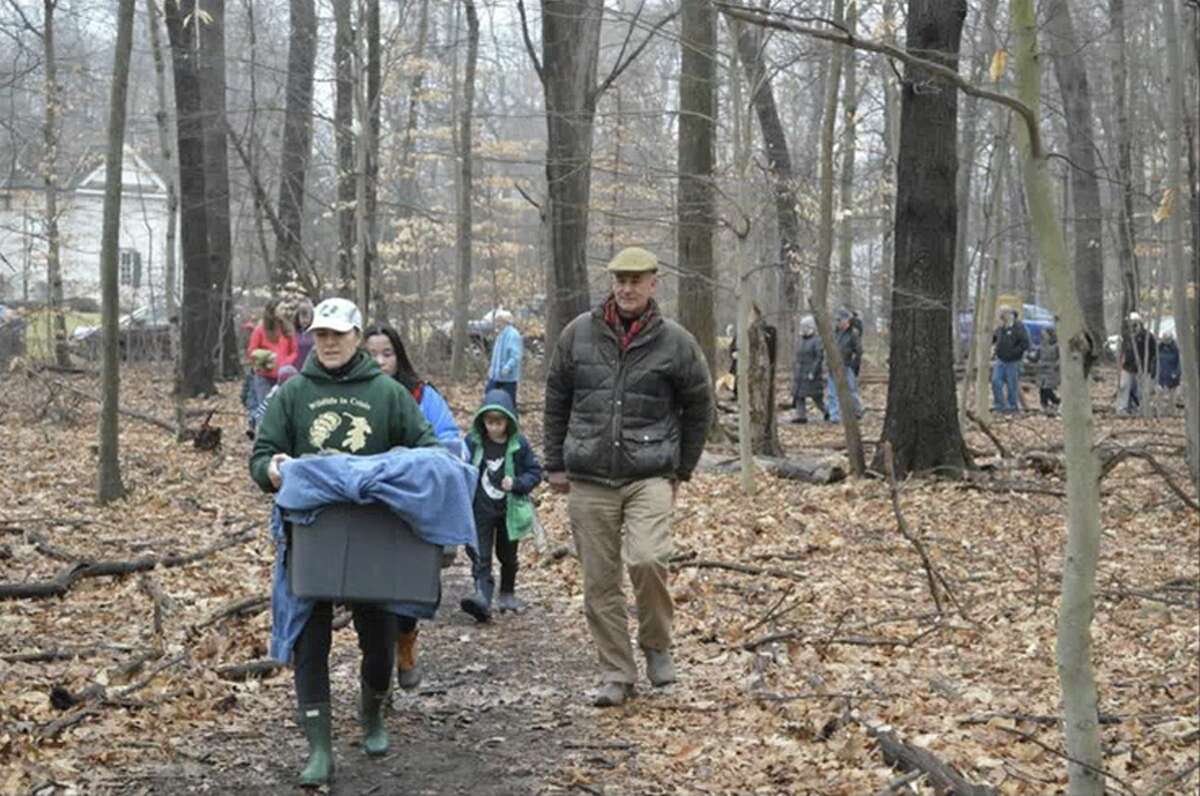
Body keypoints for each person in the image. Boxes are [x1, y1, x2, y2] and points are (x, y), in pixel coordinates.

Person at [249, 298, 441, 786]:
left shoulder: (386, 394)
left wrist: (392, 471)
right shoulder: (293, 394)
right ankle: (319, 747)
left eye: (338, 334)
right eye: (322, 334)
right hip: (311, 531)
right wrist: (271, 471)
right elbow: (263, 454)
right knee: (309, 636)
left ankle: (373, 713)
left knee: (376, 632)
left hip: (373, 531)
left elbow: (429, 450)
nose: (329, 342)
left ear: (356, 336)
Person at [543, 246, 713, 708]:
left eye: (637, 279)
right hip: (589, 475)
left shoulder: (676, 341)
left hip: (650, 473)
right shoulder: (578, 334)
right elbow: (556, 396)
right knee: (599, 581)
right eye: (621, 279)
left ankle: (657, 645)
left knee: (647, 558)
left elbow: (700, 405)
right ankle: (616, 673)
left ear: (654, 283)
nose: (627, 287)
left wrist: (683, 466)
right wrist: (553, 462)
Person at [363, 323, 464, 690]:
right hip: (369, 507)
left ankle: (406, 641)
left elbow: (450, 440)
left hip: (417, 507)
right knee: (371, 593)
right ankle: (376, 677)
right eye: (371, 354)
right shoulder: (352, 396)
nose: (379, 362)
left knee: (414, 588)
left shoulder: (422, 395)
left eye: (386, 354)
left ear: (399, 356)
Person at [460, 388, 543, 622]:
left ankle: (507, 592)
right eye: (489, 422)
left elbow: (535, 472)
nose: (494, 427)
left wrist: (516, 483)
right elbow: (461, 467)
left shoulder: (519, 446)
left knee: (507, 555)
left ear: (508, 421)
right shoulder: (474, 442)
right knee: (480, 553)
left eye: (499, 422)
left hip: (509, 510)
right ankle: (482, 597)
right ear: (482, 420)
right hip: (480, 509)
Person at [246, 298, 298, 409]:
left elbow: (294, 352)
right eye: (281, 308)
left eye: (285, 309)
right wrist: (266, 359)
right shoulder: (260, 330)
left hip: (283, 376)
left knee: (284, 407)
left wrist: (285, 363)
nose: (284, 311)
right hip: (264, 376)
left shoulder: (287, 329)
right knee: (266, 408)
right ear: (272, 310)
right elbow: (251, 351)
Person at [826, 308, 863, 422]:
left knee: (852, 391)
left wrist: (853, 365)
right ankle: (834, 416)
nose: (838, 322)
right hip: (833, 367)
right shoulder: (835, 333)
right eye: (837, 320)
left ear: (847, 320)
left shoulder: (853, 334)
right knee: (832, 392)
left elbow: (859, 351)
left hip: (847, 366)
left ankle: (857, 411)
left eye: (840, 320)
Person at [991, 307, 1029, 413]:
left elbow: (1025, 343)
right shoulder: (1000, 327)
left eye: (1003, 314)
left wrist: (1014, 352)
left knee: (1012, 385)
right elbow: (994, 338)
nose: (1001, 316)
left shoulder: (1019, 326)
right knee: (996, 381)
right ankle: (1000, 406)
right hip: (1000, 360)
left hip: (1014, 361)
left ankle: (1012, 407)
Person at [1117, 312, 1157, 414]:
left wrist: (1150, 368)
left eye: (1133, 322)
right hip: (1128, 366)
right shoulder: (1126, 335)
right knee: (1124, 386)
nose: (1131, 324)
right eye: (1129, 322)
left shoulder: (1148, 336)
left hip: (1143, 368)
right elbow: (1123, 350)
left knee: (1141, 390)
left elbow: (1153, 353)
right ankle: (1122, 408)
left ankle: (1141, 409)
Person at [791, 317, 827, 423]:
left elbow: (819, 357)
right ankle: (801, 416)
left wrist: (813, 371)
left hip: (811, 373)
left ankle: (827, 411)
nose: (803, 329)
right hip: (800, 373)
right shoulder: (800, 340)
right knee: (798, 396)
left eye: (806, 327)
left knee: (816, 397)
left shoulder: (817, 340)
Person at [486, 309, 523, 405]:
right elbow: (496, 356)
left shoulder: (513, 335)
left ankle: (512, 418)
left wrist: (507, 367)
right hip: (495, 376)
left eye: (499, 320)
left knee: (508, 402)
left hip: (507, 377)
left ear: (505, 321)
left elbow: (515, 355)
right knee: (490, 398)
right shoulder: (501, 335)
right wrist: (492, 370)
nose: (497, 323)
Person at [1032, 326, 1061, 413]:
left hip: (1051, 369)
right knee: (1042, 388)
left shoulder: (1056, 346)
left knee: (1047, 388)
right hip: (1041, 369)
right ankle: (1044, 404)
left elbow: (1060, 357)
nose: (1043, 335)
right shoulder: (1041, 346)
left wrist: (1057, 363)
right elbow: (1036, 357)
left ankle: (1056, 401)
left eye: (1044, 333)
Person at [1157, 330, 1181, 398]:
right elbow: (1155, 360)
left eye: (1167, 339)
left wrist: (1176, 373)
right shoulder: (1159, 347)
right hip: (1161, 375)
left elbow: (1179, 363)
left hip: (1172, 375)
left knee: (1172, 395)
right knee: (1161, 395)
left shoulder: (1175, 349)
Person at [293, 299, 315, 370]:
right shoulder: (294, 333)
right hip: (295, 369)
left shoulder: (315, 333)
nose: (304, 320)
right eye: (302, 317)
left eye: (307, 317)